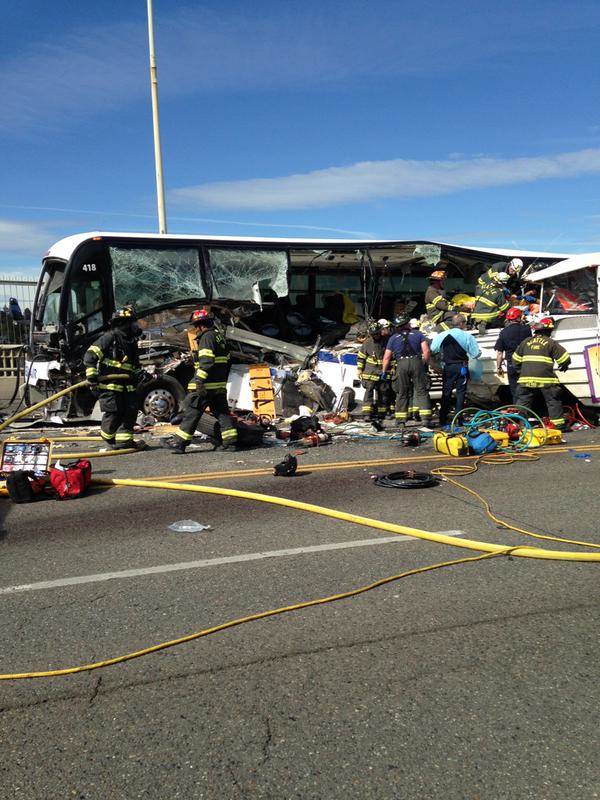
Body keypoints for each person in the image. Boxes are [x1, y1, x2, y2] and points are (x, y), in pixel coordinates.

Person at [170, 309, 238, 454]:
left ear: (201, 325)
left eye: (196, 326)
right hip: (219, 384)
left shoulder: (206, 337)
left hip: (206, 385)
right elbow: (225, 359)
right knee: (222, 414)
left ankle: (180, 443)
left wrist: (198, 381)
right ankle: (230, 443)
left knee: (192, 412)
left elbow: (207, 362)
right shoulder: (219, 337)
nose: (196, 329)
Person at [84, 306, 146, 450]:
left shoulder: (131, 342)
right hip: (111, 385)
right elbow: (90, 355)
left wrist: (139, 374)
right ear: (123, 323)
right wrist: (92, 375)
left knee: (130, 413)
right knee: (114, 413)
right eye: (132, 323)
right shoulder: (109, 338)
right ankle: (109, 437)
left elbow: (134, 365)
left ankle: (125, 441)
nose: (135, 326)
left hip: (127, 386)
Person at [512, 317, 570, 429]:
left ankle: (518, 425)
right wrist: (564, 366)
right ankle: (558, 425)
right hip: (546, 379)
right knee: (553, 400)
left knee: (523, 402)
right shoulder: (550, 342)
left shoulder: (525, 342)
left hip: (525, 379)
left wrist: (522, 372)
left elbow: (515, 360)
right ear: (548, 331)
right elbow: (564, 358)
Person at [430, 314, 481, 427]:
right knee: (460, 393)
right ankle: (459, 419)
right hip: (461, 367)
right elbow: (476, 354)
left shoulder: (442, 335)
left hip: (447, 367)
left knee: (446, 392)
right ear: (462, 324)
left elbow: (433, 349)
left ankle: (443, 418)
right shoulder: (467, 337)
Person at [382, 314, 432, 427]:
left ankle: (401, 421)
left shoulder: (393, 338)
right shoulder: (418, 334)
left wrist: (384, 371)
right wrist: (424, 363)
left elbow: (386, 357)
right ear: (408, 324)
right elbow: (426, 351)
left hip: (401, 364)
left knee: (402, 392)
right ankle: (425, 420)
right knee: (421, 390)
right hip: (416, 362)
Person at [494, 308, 532, 402]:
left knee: (515, 390)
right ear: (519, 317)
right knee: (527, 389)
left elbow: (499, 353)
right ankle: (528, 410)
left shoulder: (503, 332)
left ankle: (518, 411)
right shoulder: (527, 330)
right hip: (526, 363)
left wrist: (498, 367)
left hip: (512, 364)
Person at [356, 320, 387, 419]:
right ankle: (367, 414)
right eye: (374, 334)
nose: (376, 336)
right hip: (370, 372)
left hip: (381, 371)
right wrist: (359, 369)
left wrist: (391, 368)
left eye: (377, 333)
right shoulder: (367, 343)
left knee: (383, 392)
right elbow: (361, 357)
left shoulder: (386, 341)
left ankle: (382, 413)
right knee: (369, 392)